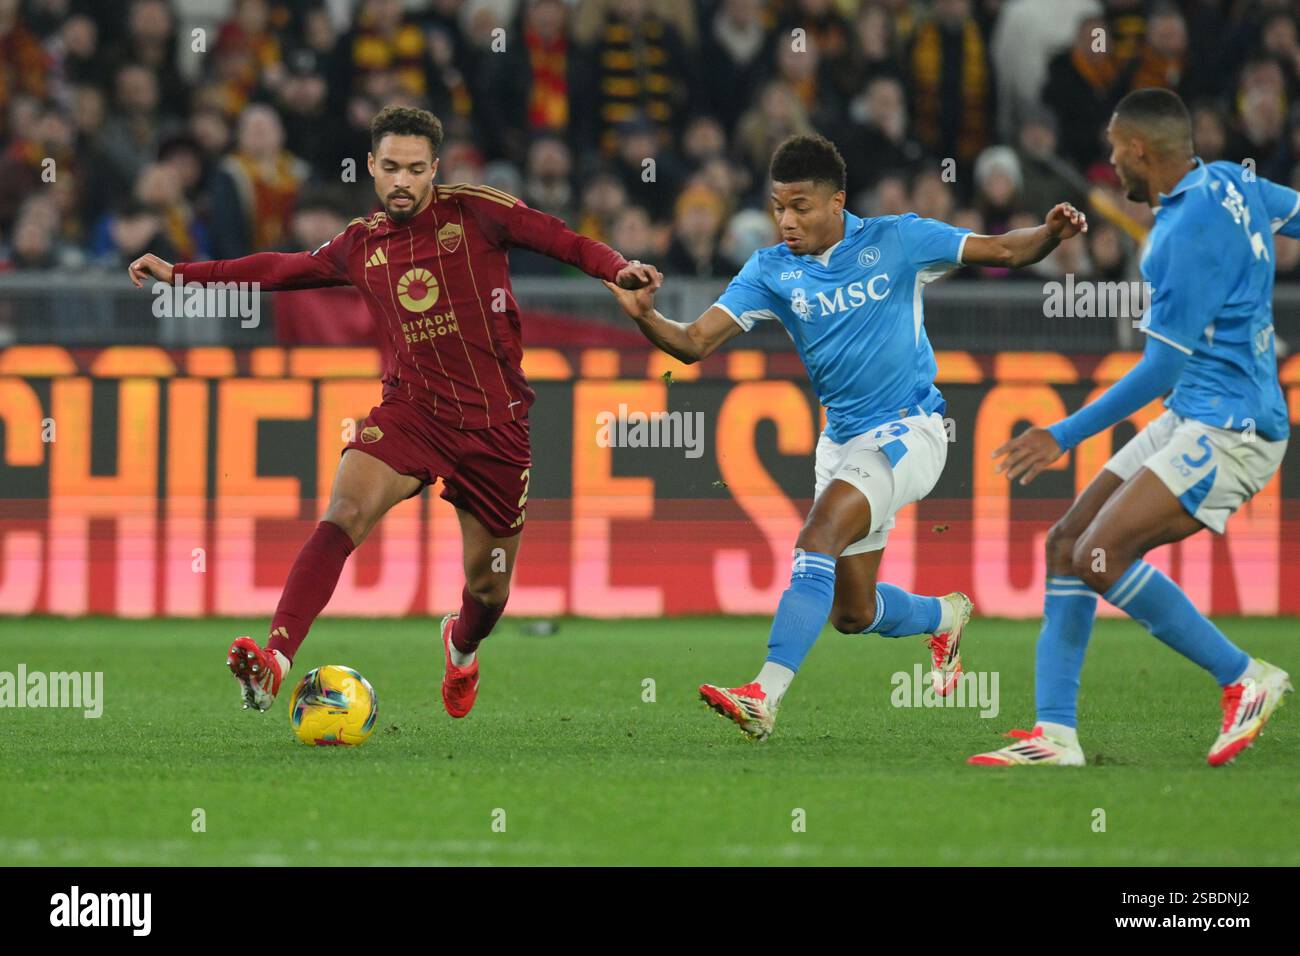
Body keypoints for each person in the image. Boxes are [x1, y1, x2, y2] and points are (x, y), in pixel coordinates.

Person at [127, 106, 658, 718]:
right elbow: (280, 269)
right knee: (345, 510)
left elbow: (562, 239)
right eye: (390, 168)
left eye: (414, 169)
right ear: (373, 168)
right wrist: (183, 273)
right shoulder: (361, 243)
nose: (401, 181)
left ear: (434, 168)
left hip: (496, 426)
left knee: (489, 590)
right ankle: (275, 660)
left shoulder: (477, 211)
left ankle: (460, 648)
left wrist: (619, 267)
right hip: (412, 413)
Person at [604, 133, 1087, 740]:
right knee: (852, 612)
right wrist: (647, 316)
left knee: (817, 538)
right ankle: (945, 616)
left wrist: (1048, 234)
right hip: (842, 443)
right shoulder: (770, 269)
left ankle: (764, 695)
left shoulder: (897, 239)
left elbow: (1002, 251)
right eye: (778, 205)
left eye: (800, 206)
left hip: (913, 430)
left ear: (838, 201)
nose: (785, 220)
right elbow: (695, 343)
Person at [972, 88, 1294, 768]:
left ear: (1141, 150)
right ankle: (1055, 737)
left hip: (1232, 427)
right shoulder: (1237, 182)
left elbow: (1157, 371)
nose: (1110, 162)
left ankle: (1244, 678)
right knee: (1066, 544)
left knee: (1099, 556)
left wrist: (1062, 434)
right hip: (1199, 413)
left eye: (1116, 149)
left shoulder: (1177, 238)